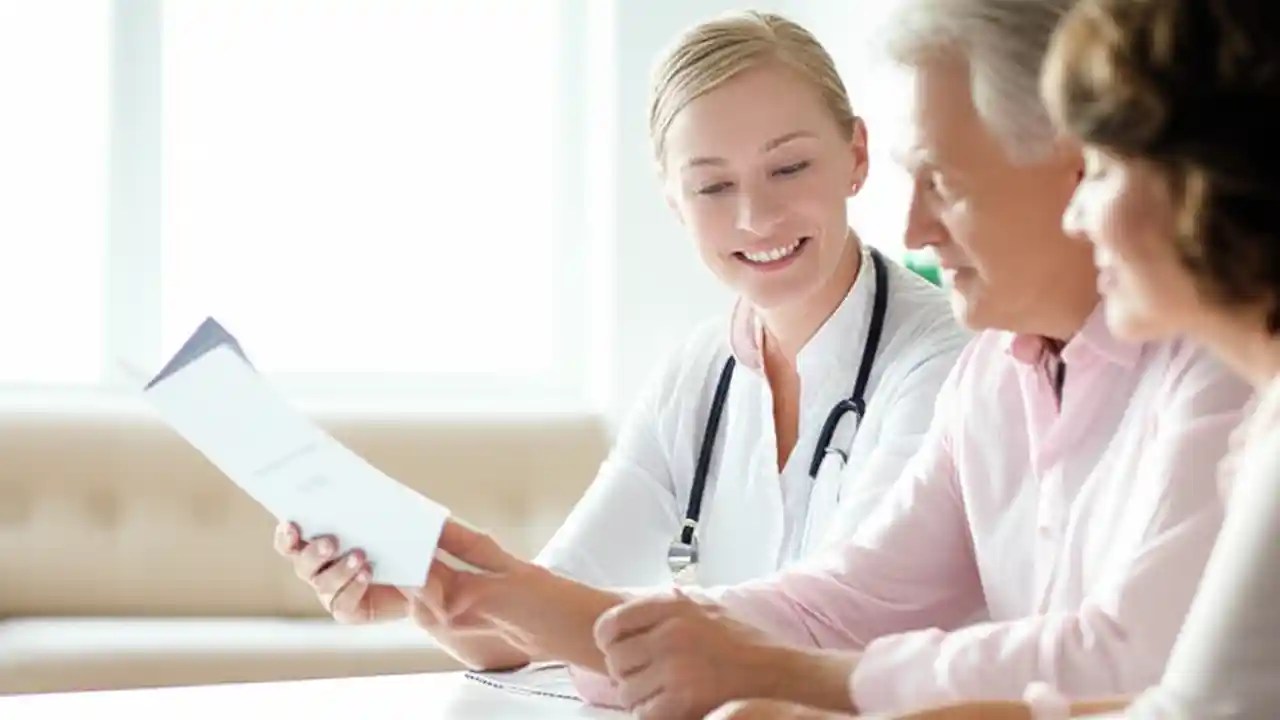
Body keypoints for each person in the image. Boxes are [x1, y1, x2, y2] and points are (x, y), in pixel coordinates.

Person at [328, 0, 1255, 717]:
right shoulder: (997, 378)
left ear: (1075, 164)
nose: (915, 228)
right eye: (712, 185)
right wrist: (491, 586)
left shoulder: (1218, 371)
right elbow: (833, 605)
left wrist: (793, 680)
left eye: (944, 183)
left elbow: (1140, 666)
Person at [272, 10, 968, 673]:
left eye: (788, 169)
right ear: (674, 202)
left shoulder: (943, 362)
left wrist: (494, 594)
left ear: (856, 156)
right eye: (713, 186)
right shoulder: (695, 380)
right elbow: (544, 622)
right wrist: (421, 589)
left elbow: (834, 626)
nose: (756, 216)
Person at [713, 0, 1280, 717]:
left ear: (1199, 183)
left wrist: (814, 693)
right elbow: (1167, 705)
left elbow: (1174, 694)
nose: (1079, 212)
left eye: (1101, 170)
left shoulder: (1231, 386)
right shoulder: (992, 375)